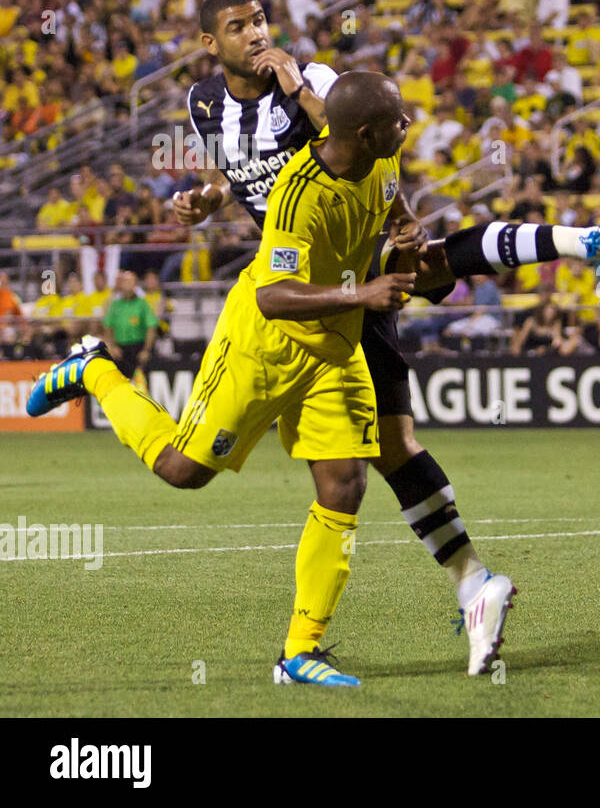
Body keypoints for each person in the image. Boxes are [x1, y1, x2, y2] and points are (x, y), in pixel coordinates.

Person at [170, 0, 600, 675]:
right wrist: (207, 199)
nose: (255, 34)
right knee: (391, 446)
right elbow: (228, 174)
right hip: (307, 281)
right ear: (212, 43)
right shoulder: (202, 104)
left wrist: (302, 93)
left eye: (260, 21)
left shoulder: (317, 83)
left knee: (429, 277)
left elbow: (361, 135)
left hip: (344, 266)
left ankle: (580, 240)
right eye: (238, 27)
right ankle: (473, 584)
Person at [29, 72, 433, 688]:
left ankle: (300, 653)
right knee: (183, 471)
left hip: (335, 349)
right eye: (399, 121)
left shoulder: (381, 162)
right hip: (264, 345)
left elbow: (393, 208)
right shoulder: (300, 192)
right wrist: (365, 289)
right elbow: (273, 295)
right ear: (366, 131)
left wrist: (407, 232)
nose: (408, 128)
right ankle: (98, 371)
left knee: (345, 485)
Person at [100, 271, 158, 379]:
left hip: (137, 347)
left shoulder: (142, 304)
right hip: (120, 349)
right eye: (125, 281)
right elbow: (108, 327)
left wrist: (146, 350)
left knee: (140, 382)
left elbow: (151, 327)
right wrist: (112, 346)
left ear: (135, 284)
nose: (127, 284)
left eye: (130, 281)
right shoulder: (115, 305)